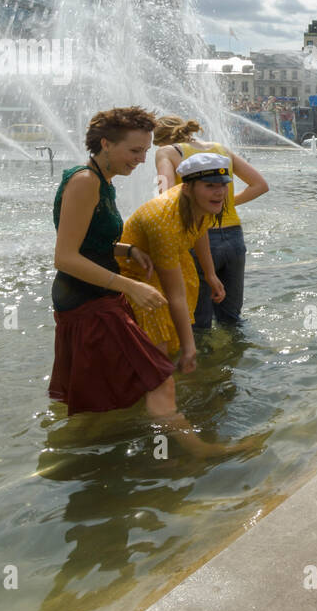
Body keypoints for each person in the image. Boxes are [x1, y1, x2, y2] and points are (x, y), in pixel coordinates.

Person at [49, 109, 248, 457]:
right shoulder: (85, 181)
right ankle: (196, 452)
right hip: (88, 299)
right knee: (159, 379)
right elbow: (64, 257)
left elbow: (87, 242)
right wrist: (131, 286)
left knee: (112, 384)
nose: (142, 160)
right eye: (134, 151)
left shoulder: (100, 181)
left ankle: (94, 454)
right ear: (106, 144)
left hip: (94, 294)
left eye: (145, 151)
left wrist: (125, 249)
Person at [154, 117, 269, 332]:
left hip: (198, 241)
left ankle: (202, 364)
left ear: (161, 140)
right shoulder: (220, 149)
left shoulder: (166, 152)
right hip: (234, 239)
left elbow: (165, 195)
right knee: (231, 319)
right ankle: (236, 361)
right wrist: (222, 204)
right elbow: (260, 185)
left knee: (198, 322)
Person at [120, 152, 230, 373]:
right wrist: (191, 349)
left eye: (222, 184)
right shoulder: (164, 223)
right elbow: (175, 295)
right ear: (187, 187)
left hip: (172, 262)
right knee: (157, 351)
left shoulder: (201, 203)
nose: (219, 191)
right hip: (139, 275)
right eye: (209, 185)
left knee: (172, 342)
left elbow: (199, 231)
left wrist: (210, 273)